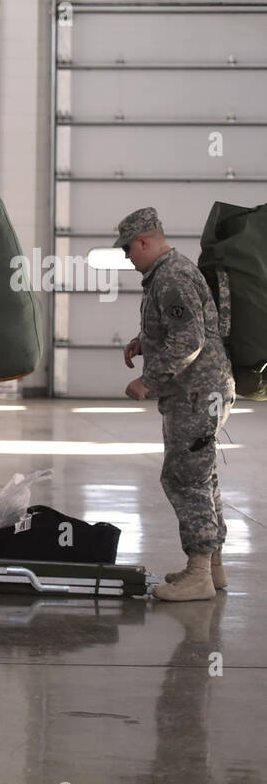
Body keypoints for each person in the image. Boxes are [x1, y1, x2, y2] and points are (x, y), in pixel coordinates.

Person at [117, 207, 235, 601]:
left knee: (184, 478)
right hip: (200, 391)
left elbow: (190, 340)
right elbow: (180, 325)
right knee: (201, 476)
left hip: (197, 393)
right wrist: (143, 340)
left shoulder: (173, 276)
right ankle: (211, 568)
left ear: (145, 241)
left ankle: (200, 574)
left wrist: (147, 380)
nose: (127, 256)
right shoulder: (166, 275)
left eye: (129, 249)